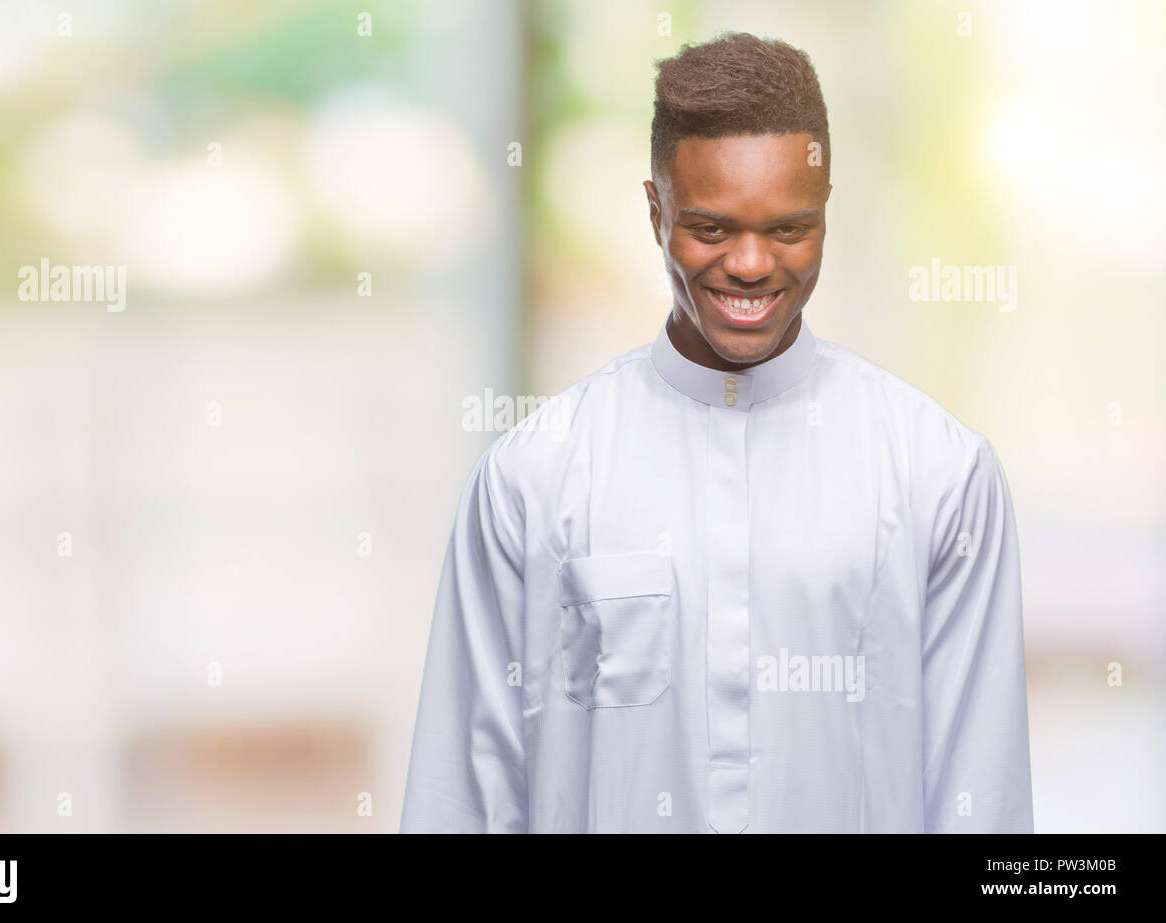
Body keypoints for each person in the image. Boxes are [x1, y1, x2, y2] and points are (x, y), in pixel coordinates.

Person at [400, 31, 1033, 833]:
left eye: (788, 228)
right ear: (655, 210)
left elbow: (984, 794)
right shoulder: (534, 475)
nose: (749, 263)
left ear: (827, 207)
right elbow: (462, 792)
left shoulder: (939, 472)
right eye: (710, 227)